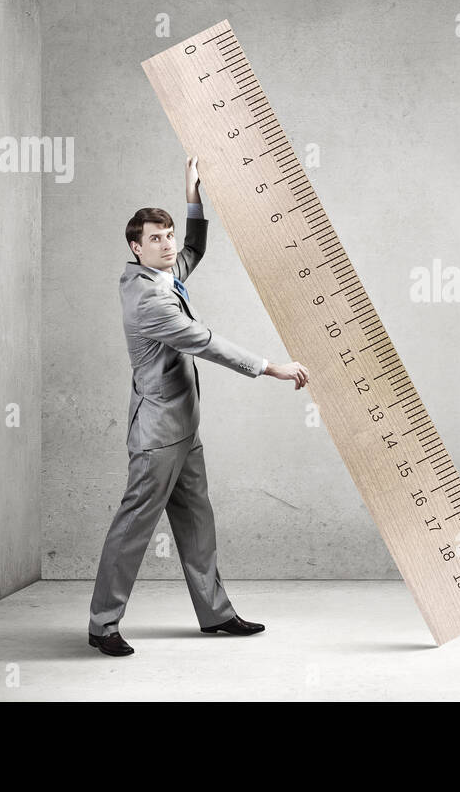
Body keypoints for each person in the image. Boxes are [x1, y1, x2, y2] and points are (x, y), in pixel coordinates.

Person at [87, 154, 310, 656]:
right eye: (156, 238)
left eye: (167, 235)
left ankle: (216, 614)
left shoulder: (162, 274)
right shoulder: (147, 299)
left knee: (197, 520)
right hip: (157, 435)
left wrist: (191, 193)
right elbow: (203, 340)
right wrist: (269, 366)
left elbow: (196, 247)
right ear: (135, 248)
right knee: (133, 529)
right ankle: (102, 624)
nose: (168, 245)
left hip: (184, 429)